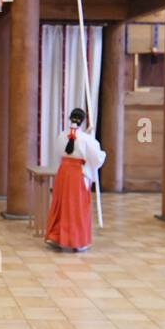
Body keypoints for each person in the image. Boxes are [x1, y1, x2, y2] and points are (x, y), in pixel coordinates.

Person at [44, 106, 106, 253]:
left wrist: (86, 136)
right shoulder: (86, 139)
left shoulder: (62, 135)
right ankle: (78, 241)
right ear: (82, 121)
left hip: (64, 171)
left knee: (61, 203)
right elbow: (96, 157)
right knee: (77, 206)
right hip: (78, 174)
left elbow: (62, 150)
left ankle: (58, 237)